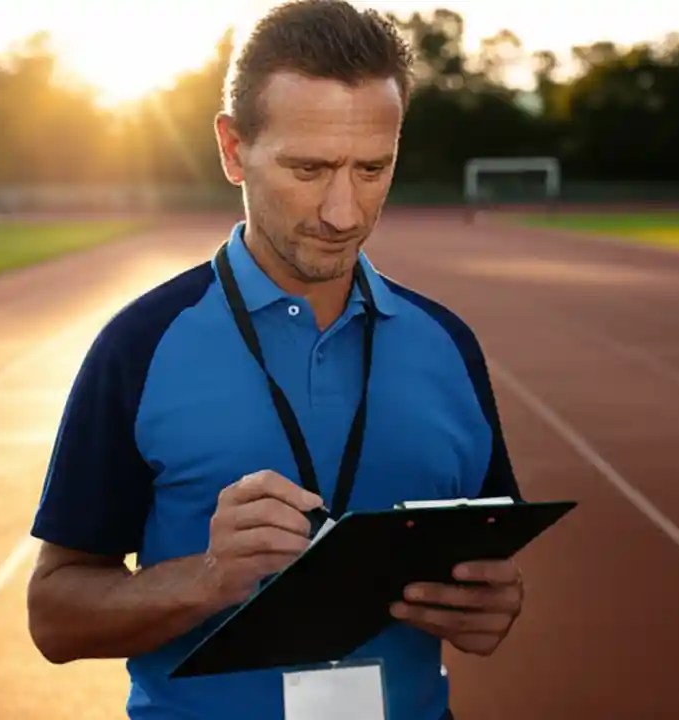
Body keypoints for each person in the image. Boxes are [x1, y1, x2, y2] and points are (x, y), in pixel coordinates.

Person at [26, 2, 524, 718]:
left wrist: (489, 604)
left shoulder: (448, 346)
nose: (344, 212)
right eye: (309, 168)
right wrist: (205, 579)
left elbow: (486, 564)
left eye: (372, 168)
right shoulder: (140, 345)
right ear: (233, 149)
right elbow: (54, 617)